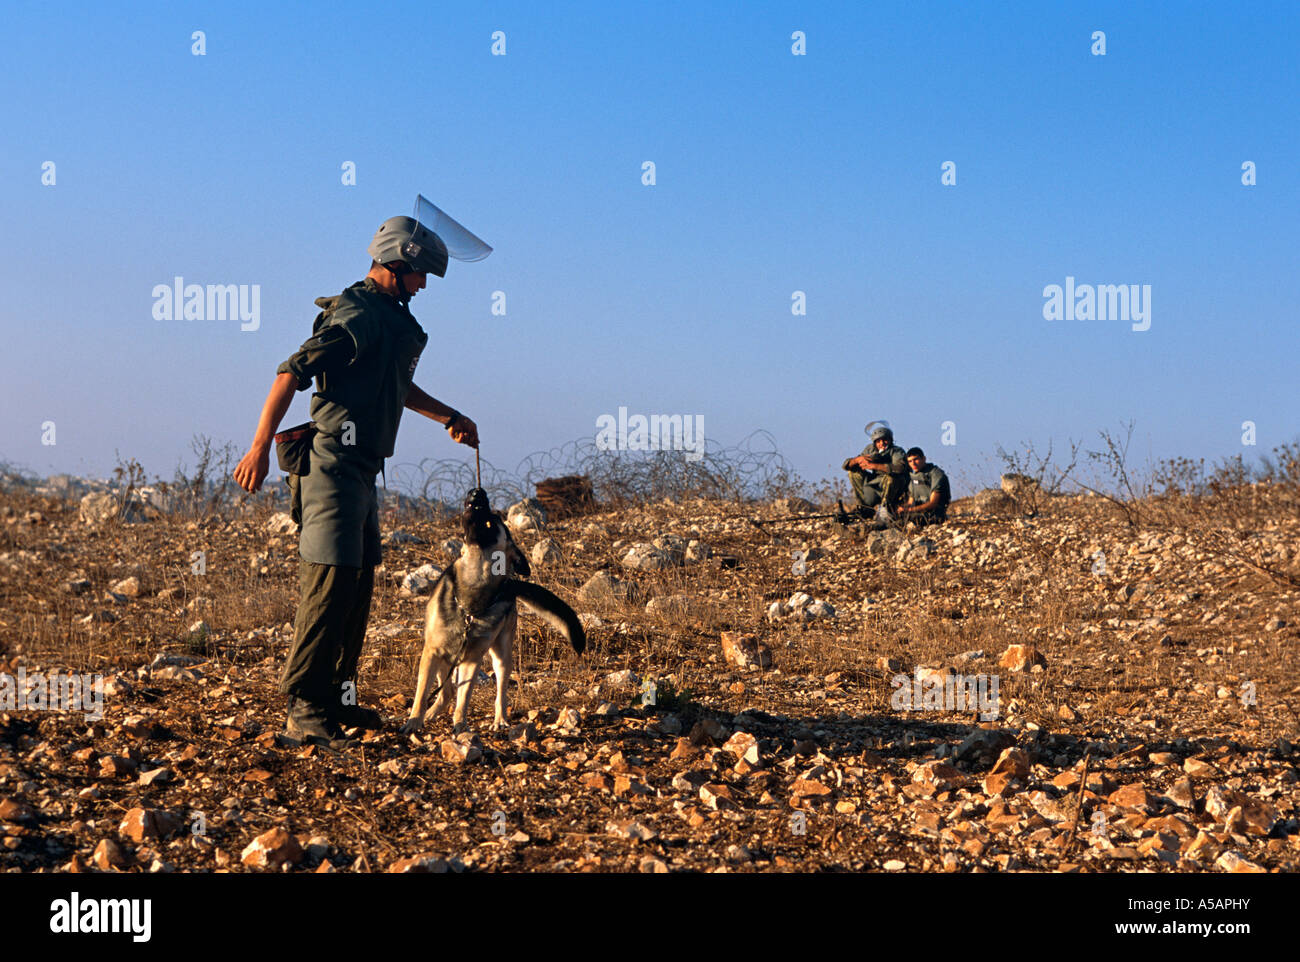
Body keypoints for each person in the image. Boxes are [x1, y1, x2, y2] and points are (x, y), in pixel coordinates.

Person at [232, 202, 488, 746]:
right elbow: (290, 372)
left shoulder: (387, 318)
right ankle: (305, 710)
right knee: (327, 588)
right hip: (331, 468)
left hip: (362, 471)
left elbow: (394, 384)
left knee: (356, 587)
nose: (423, 285)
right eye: (421, 274)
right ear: (398, 262)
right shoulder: (359, 316)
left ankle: (339, 700)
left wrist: (449, 417)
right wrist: (257, 447)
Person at [843, 424, 909, 520]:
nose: (882, 443)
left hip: (895, 486)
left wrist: (876, 466)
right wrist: (857, 460)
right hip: (875, 484)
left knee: (891, 478)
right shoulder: (870, 449)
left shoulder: (897, 451)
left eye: (884, 440)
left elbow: (900, 468)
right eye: (878, 441)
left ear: (890, 440)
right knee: (853, 473)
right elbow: (846, 465)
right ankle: (865, 508)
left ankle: (885, 509)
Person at [898, 447, 951, 527]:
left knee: (909, 518)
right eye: (910, 461)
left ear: (924, 459)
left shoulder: (936, 474)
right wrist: (901, 509)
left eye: (916, 459)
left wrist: (909, 510)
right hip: (918, 511)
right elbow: (911, 501)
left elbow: (933, 503)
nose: (913, 463)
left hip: (935, 514)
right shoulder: (913, 476)